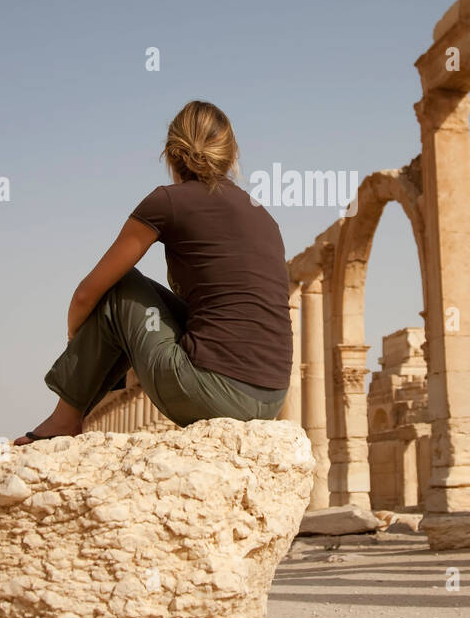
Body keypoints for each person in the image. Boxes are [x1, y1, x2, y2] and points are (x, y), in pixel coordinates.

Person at [14, 100, 292, 445]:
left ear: (170, 154)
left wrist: (77, 339)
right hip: (272, 399)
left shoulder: (167, 201)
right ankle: (74, 412)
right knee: (160, 301)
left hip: (214, 394)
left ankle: (64, 419)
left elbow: (87, 294)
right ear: (232, 156)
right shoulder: (264, 216)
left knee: (119, 286)